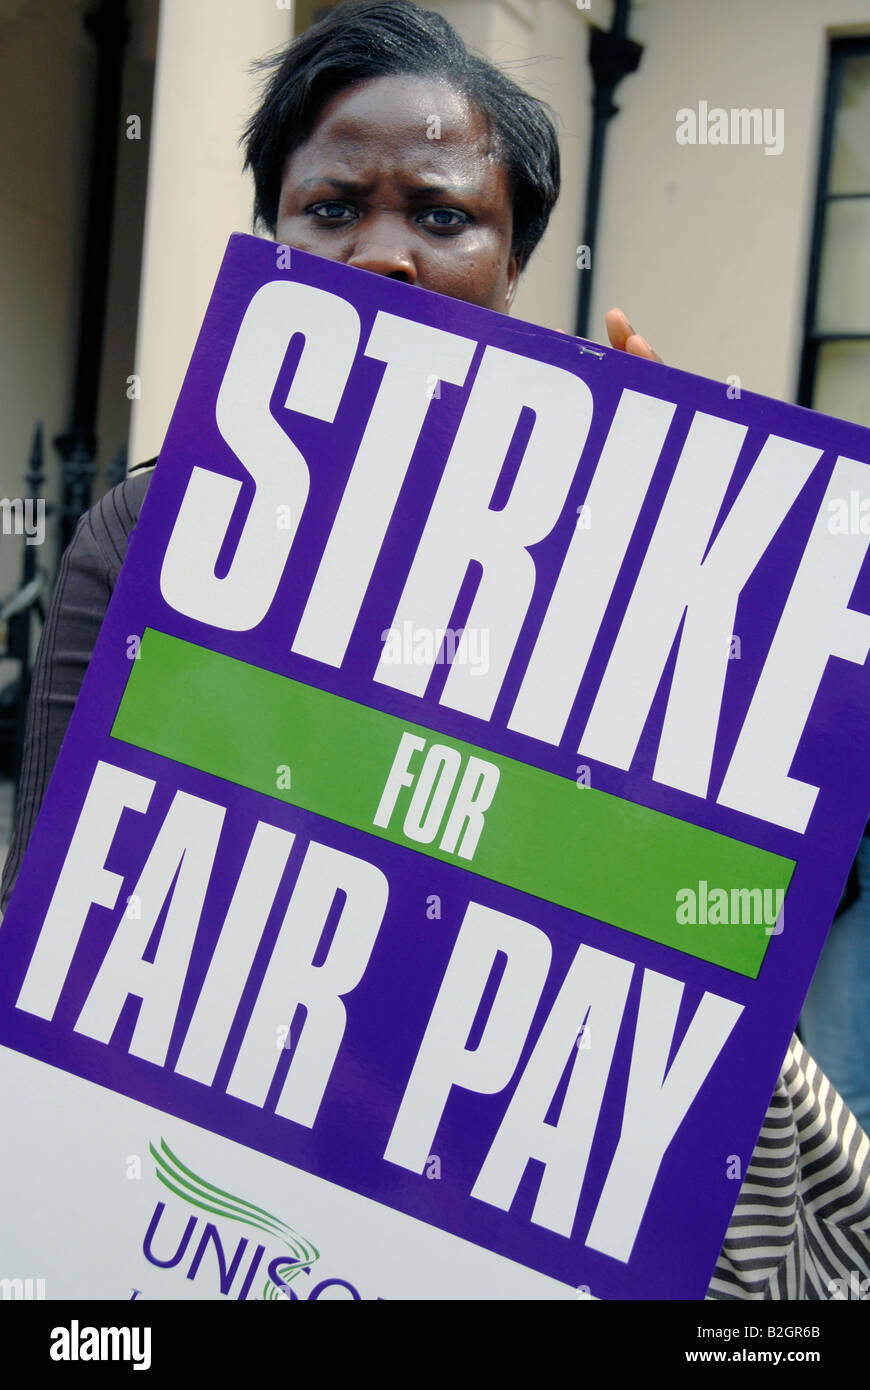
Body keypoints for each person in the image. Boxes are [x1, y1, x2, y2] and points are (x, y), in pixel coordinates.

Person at [1, 0, 867, 1300]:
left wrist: (671, 578)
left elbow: (710, 915)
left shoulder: (613, 545)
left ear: (513, 266)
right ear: (272, 239)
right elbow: (66, 912)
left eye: (445, 216)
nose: (386, 253)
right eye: (333, 207)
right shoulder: (150, 532)